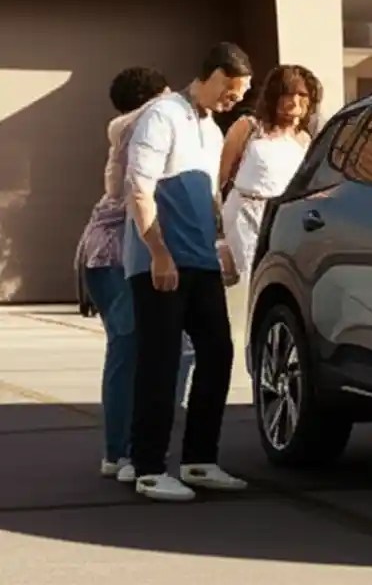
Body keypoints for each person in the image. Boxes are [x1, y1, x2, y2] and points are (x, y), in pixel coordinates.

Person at [123, 42, 253, 501]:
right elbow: (138, 188)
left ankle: (199, 459)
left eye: (240, 93)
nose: (234, 99)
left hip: (201, 262)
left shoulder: (213, 131)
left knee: (218, 352)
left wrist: (222, 248)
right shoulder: (162, 115)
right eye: (231, 89)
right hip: (161, 262)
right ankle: (148, 467)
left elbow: (210, 202)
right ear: (212, 75)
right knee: (160, 361)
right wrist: (158, 251)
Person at [73, 67, 195, 480]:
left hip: (105, 255)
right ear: (158, 95)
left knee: (134, 350)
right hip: (117, 254)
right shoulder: (149, 121)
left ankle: (122, 451)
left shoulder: (130, 127)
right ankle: (125, 452)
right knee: (136, 349)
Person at [218, 64, 319, 278]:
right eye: (288, 94)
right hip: (245, 214)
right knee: (251, 280)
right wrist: (215, 230)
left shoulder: (304, 139)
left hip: (282, 219)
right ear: (274, 97)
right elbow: (219, 179)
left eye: (302, 95)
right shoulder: (249, 127)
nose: (295, 101)